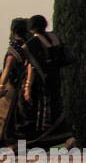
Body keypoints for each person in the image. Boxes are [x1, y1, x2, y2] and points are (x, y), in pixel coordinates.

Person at [21, 14, 74, 148]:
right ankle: (68, 137)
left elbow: (32, 67)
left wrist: (27, 88)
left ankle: (36, 142)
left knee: (36, 114)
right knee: (56, 109)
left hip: (41, 84)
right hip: (56, 80)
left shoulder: (31, 45)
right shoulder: (54, 37)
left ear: (31, 28)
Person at [0, 18, 31, 144]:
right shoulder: (28, 45)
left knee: (6, 117)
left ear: (13, 31)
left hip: (12, 86)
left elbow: (8, 68)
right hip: (24, 85)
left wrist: (1, 85)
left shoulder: (14, 47)